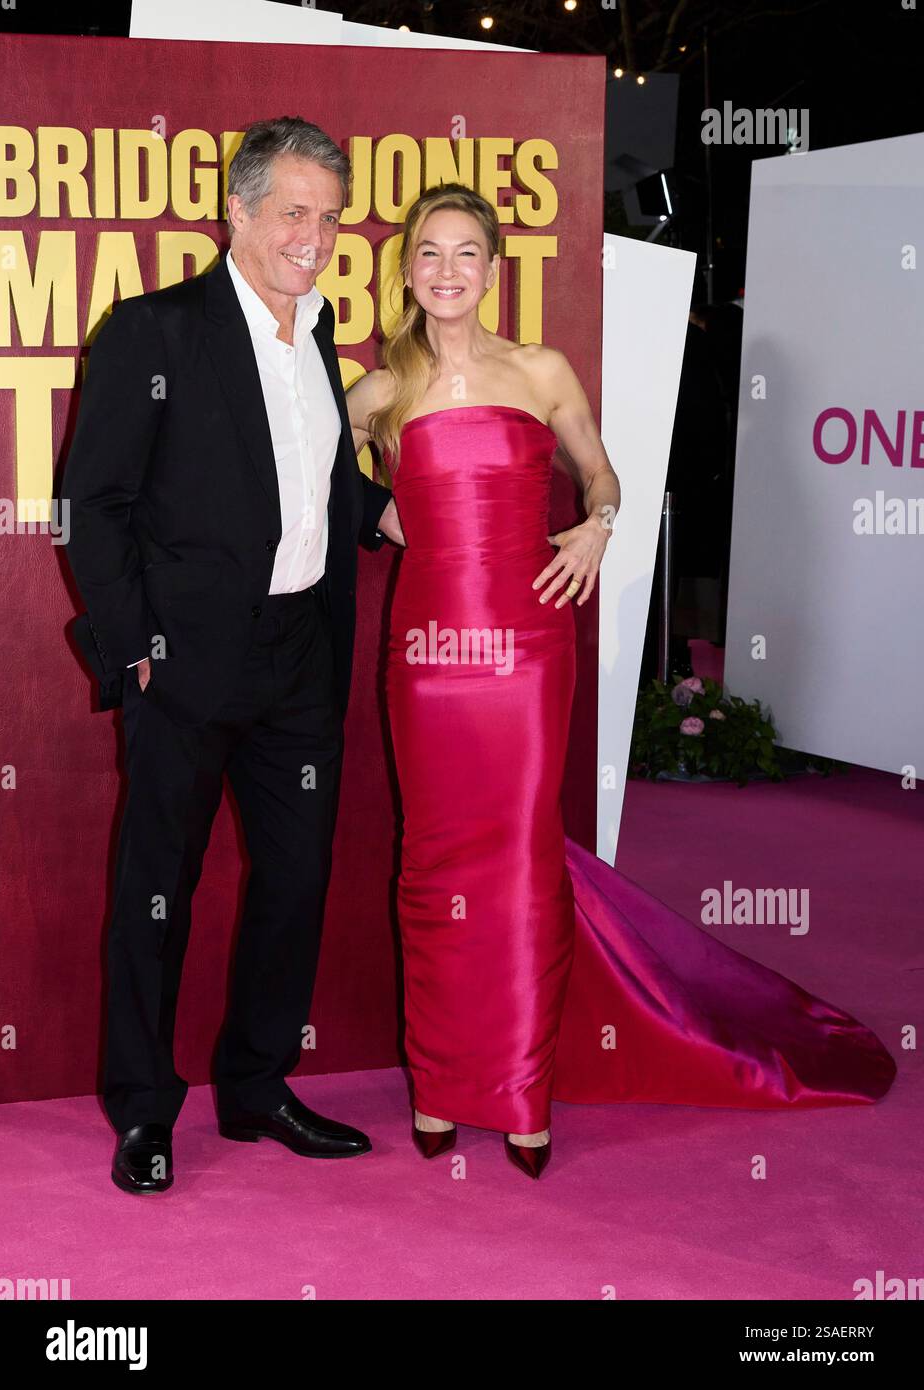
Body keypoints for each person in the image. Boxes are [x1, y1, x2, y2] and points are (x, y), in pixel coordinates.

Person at [347, 183, 896, 1180]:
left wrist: (596, 522)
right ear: (407, 269)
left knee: (516, 862)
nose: (446, 271)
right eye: (428, 253)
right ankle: (438, 1083)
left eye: (465, 252)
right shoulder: (378, 391)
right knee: (430, 865)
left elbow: (601, 473)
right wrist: (379, 518)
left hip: (524, 647)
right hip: (427, 655)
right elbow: (319, 488)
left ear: (492, 266)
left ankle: (516, 1092)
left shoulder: (542, 368)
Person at [59, 118, 400, 1195]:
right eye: (295, 211)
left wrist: (392, 513)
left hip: (300, 653)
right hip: (184, 659)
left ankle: (257, 1087)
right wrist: (132, 648)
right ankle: (144, 1109)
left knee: (294, 883)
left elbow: (310, 485)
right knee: (157, 889)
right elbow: (92, 506)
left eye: (331, 215)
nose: (317, 234)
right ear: (238, 213)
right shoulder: (152, 332)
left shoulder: (322, 330)